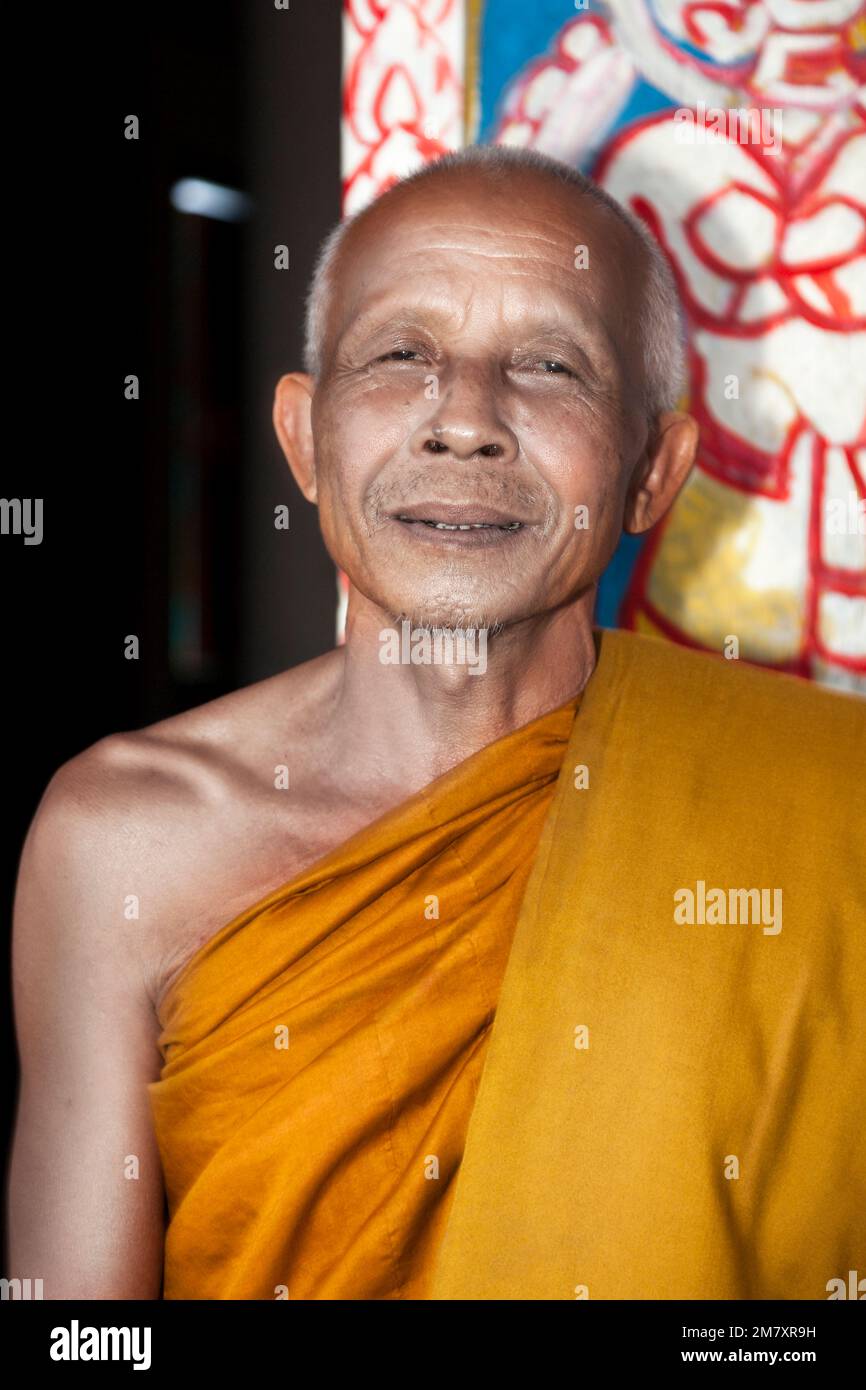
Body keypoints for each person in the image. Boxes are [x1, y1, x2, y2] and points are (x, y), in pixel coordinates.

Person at [7, 145, 864, 1301]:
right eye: (401, 353)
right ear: (306, 442)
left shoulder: (823, 805)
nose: (463, 419)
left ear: (650, 473)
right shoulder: (123, 836)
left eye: (552, 364)